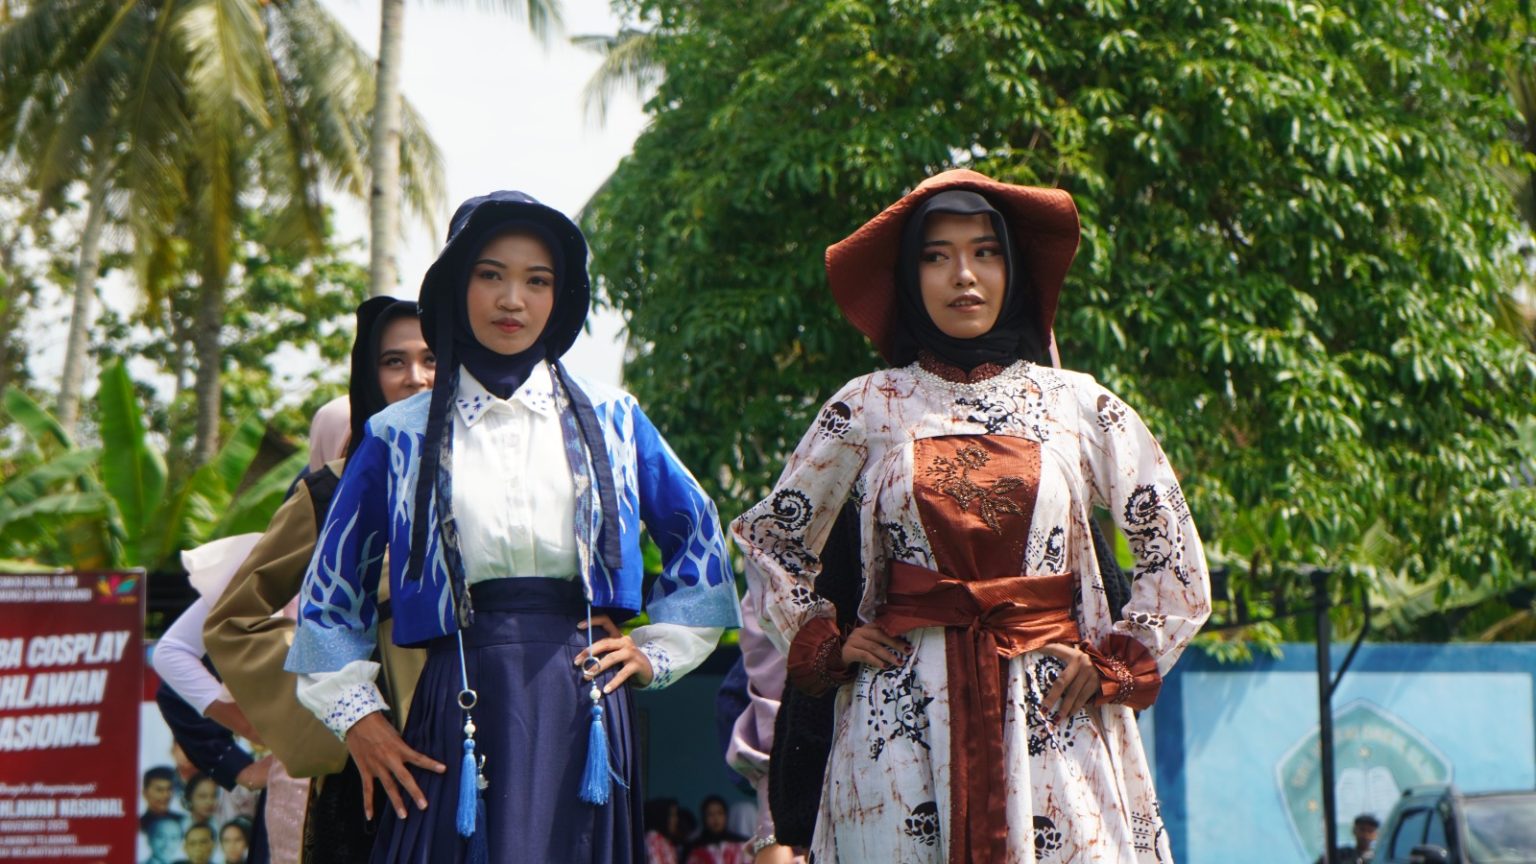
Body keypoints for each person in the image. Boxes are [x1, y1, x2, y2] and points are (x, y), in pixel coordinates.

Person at [732, 169, 1212, 862]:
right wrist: (823, 640)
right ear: (909, 276)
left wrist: (1118, 662)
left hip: (1053, 714)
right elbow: (770, 536)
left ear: (1013, 271)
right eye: (937, 256)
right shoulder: (868, 406)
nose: (964, 275)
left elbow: (1170, 545)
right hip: (900, 727)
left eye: (985, 252)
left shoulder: (1078, 405)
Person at [285, 190, 741, 864]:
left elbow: (700, 545)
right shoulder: (396, 435)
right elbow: (328, 604)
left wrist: (656, 651)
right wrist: (360, 721)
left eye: (538, 280)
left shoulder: (614, 417)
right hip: (456, 704)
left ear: (563, 297)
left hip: (584, 705)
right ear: (453, 283)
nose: (512, 300)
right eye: (490, 274)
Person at [203, 296, 434, 864]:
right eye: (394, 362)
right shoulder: (332, 491)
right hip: (374, 774)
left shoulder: (512, 476)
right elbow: (235, 622)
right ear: (368, 375)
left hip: (493, 745)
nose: (416, 379)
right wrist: (347, 718)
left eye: (433, 358)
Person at [682, 796, 749, 864]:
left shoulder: (740, 843)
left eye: (720, 813)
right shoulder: (693, 847)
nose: (716, 818)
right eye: (710, 814)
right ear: (703, 817)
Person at [141, 767, 178, 835]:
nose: (166, 795)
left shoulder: (182, 821)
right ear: (145, 793)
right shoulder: (138, 826)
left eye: (169, 789)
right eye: (159, 790)